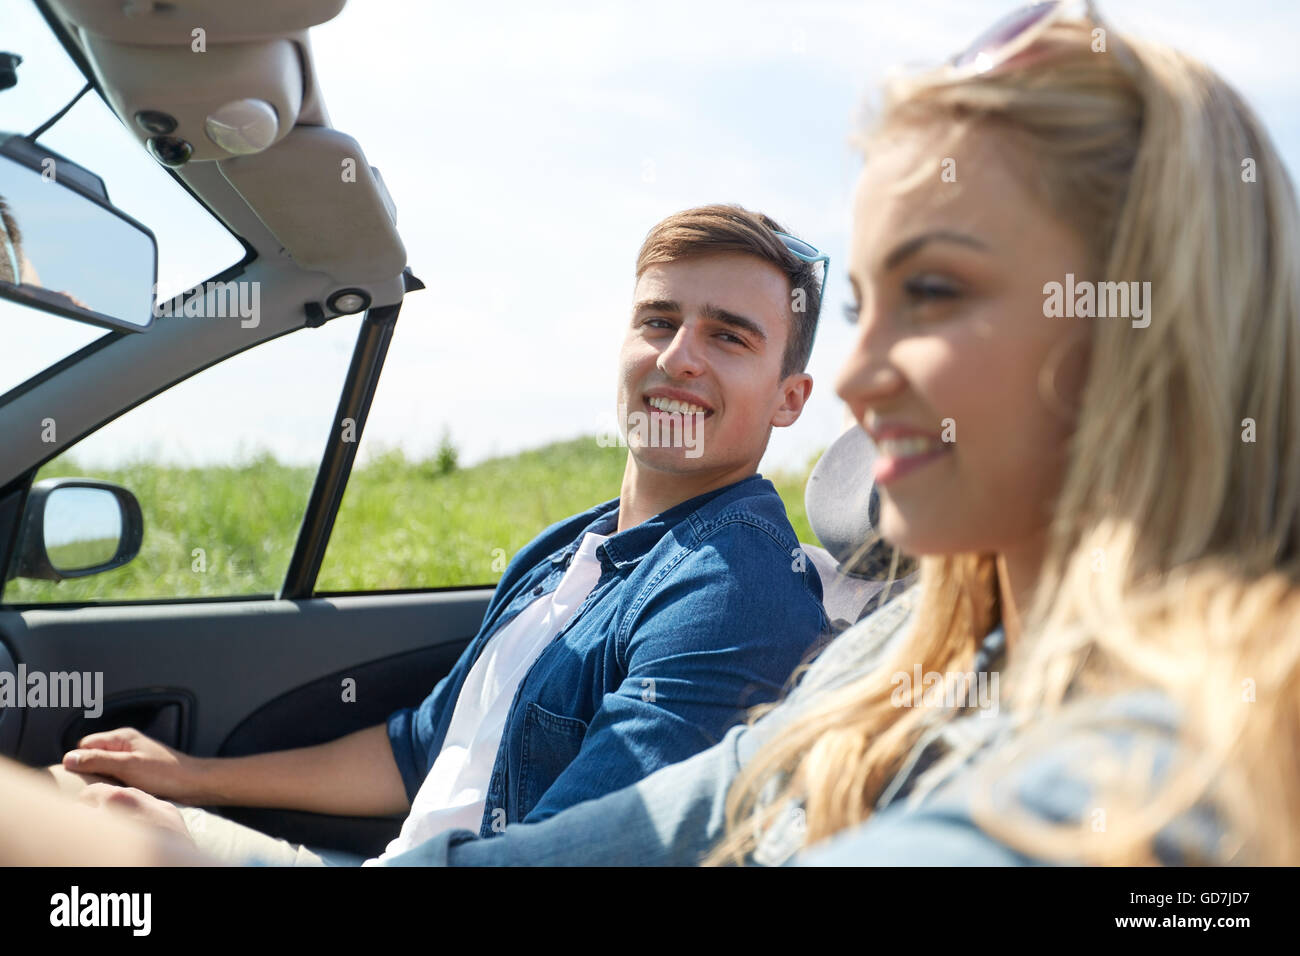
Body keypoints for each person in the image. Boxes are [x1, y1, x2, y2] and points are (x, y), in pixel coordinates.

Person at [33, 1, 1300, 867]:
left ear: (1140, 335)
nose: (859, 370)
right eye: (863, 302)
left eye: (937, 292)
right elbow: (466, 773)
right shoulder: (876, 674)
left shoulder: (1165, 776)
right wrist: (184, 799)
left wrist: (124, 854)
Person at [51, 204, 832, 865]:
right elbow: (419, 747)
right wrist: (189, 776)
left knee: (65, 840)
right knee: (63, 800)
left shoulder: (735, 590)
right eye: (658, 320)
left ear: (788, 399)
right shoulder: (573, 548)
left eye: (729, 337)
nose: (677, 357)